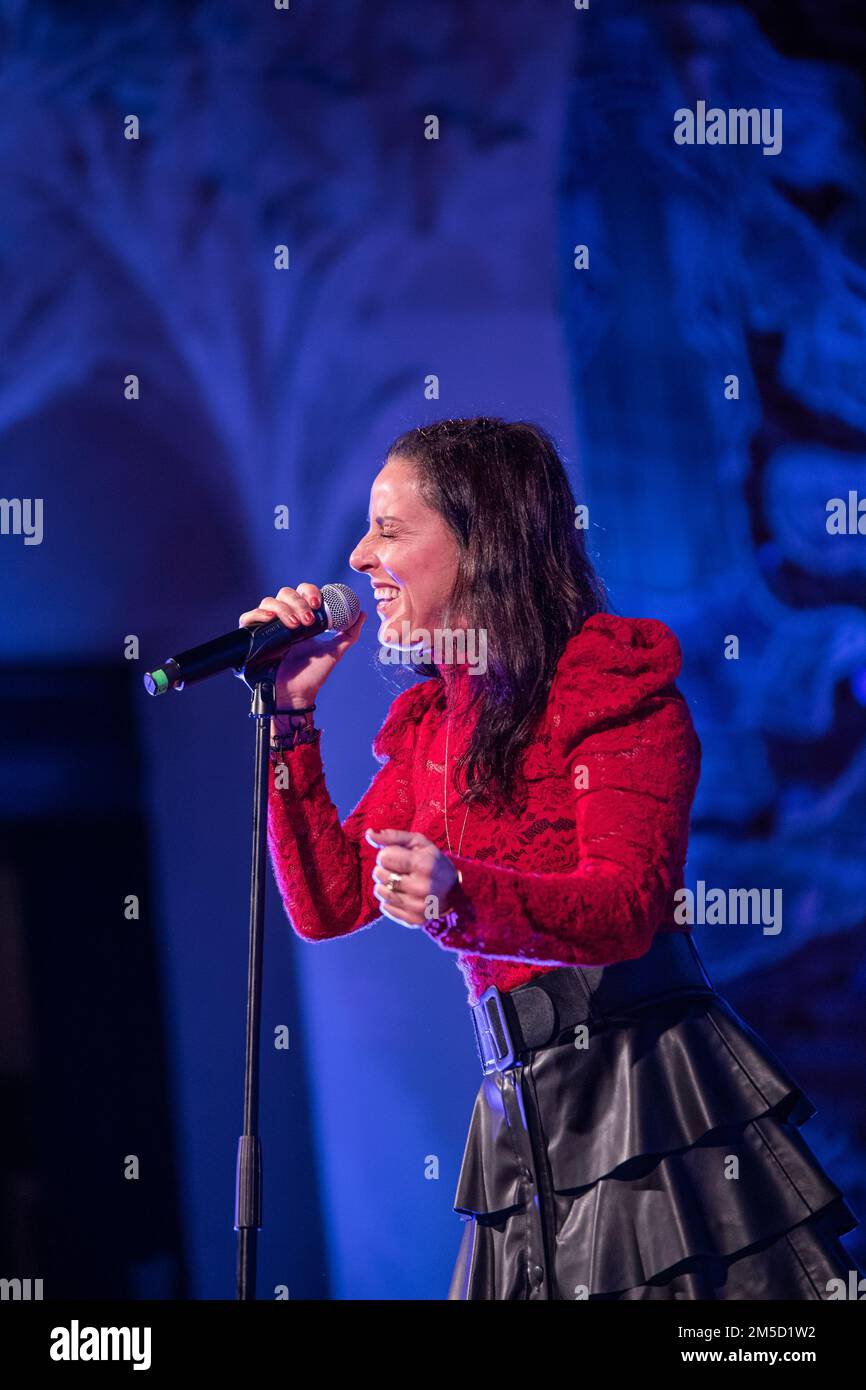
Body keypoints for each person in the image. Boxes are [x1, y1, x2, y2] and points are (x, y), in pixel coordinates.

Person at [240, 416, 863, 1300]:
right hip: (515, 1110)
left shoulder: (607, 684)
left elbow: (627, 905)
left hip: (646, 1097)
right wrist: (290, 720)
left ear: (479, 538)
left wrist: (462, 893)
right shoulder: (431, 727)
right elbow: (330, 904)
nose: (357, 556)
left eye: (388, 529)